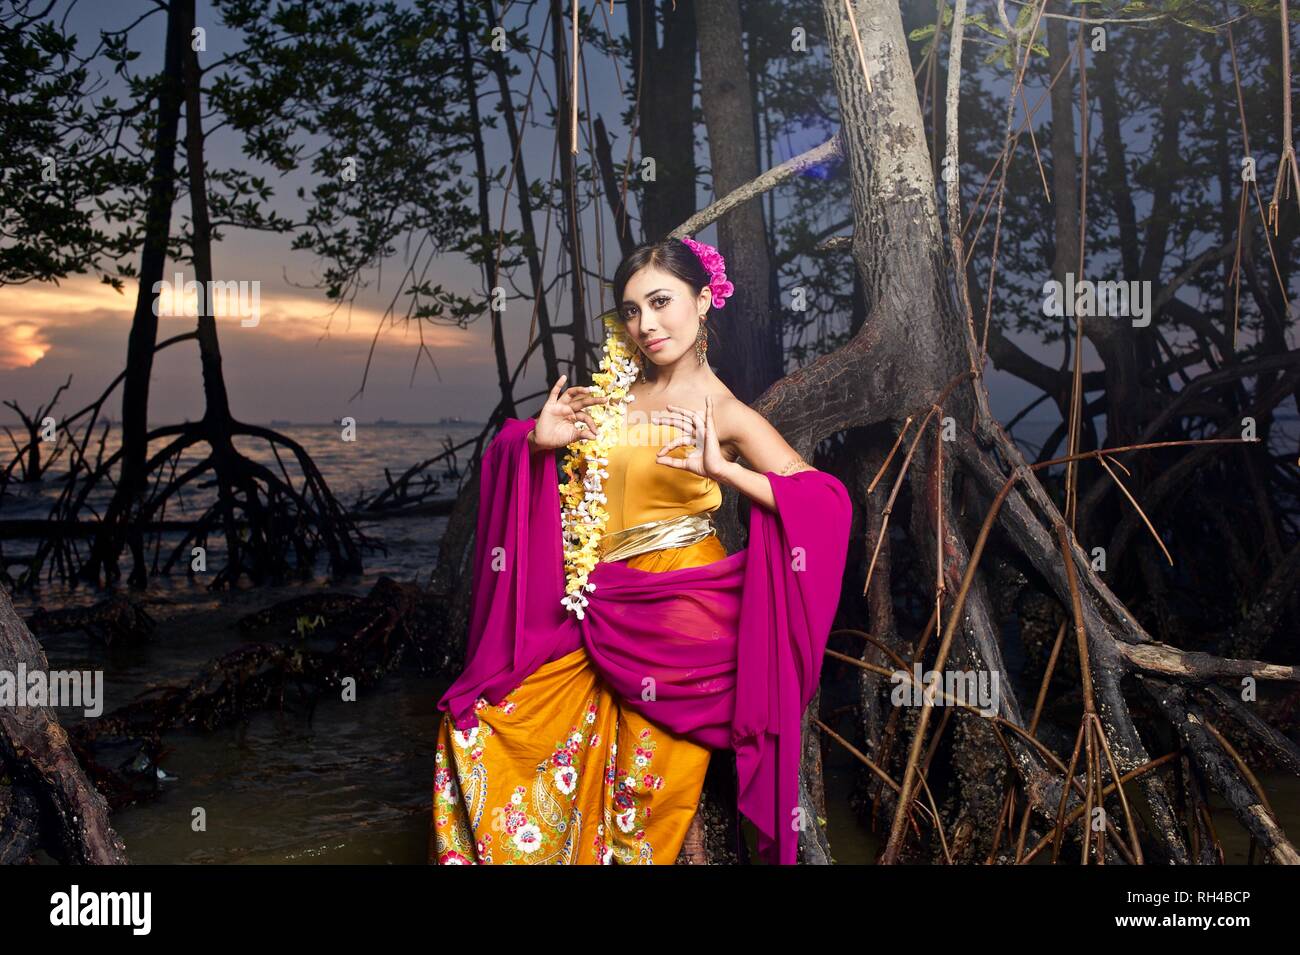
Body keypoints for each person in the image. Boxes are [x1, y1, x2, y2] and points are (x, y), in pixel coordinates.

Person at [431, 236, 852, 865]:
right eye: (630, 311)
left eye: (660, 302)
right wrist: (538, 446)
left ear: (704, 301)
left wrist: (726, 471)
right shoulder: (608, 398)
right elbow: (569, 499)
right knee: (480, 727)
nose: (645, 324)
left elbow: (824, 503)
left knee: (638, 799)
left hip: (685, 613)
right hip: (596, 601)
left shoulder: (726, 412)